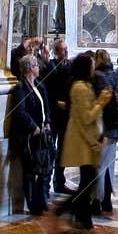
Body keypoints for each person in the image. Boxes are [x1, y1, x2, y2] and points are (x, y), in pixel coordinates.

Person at [40, 52, 110, 234]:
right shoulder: (79, 88)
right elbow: (86, 118)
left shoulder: (85, 85)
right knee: (88, 184)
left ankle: (84, 225)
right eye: (92, 65)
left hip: (86, 140)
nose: (94, 68)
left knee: (88, 184)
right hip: (82, 142)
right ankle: (59, 211)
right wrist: (101, 102)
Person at [10, 55, 53, 216]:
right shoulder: (21, 87)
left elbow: (45, 107)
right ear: (29, 68)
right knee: (31, 170)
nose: (39, 68)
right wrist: (33, 127)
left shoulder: (39, 86)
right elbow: (20, 112)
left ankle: (41, 201)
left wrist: (47, 122)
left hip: (42, 133)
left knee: (43, 168)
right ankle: (33, 204)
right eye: (36, 65)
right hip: (30, 136)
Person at [95, 55, 118, 216]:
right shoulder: (117, 75)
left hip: (102, 127)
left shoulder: (98, 78)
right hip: (115, 127)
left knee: (98, 166)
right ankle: (106, 201)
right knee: (109, 166)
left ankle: (98, 201)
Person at [39, 40, 72, 192]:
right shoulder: (50, 66)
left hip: (66, 115)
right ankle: (45, 184)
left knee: (64, 150)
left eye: (65, 49)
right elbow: (48, 84)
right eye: (61, 50)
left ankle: (59, 181)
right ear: (56, 51)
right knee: (50, 149)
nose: (64, 52)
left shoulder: (70, 66)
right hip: (52, 115)